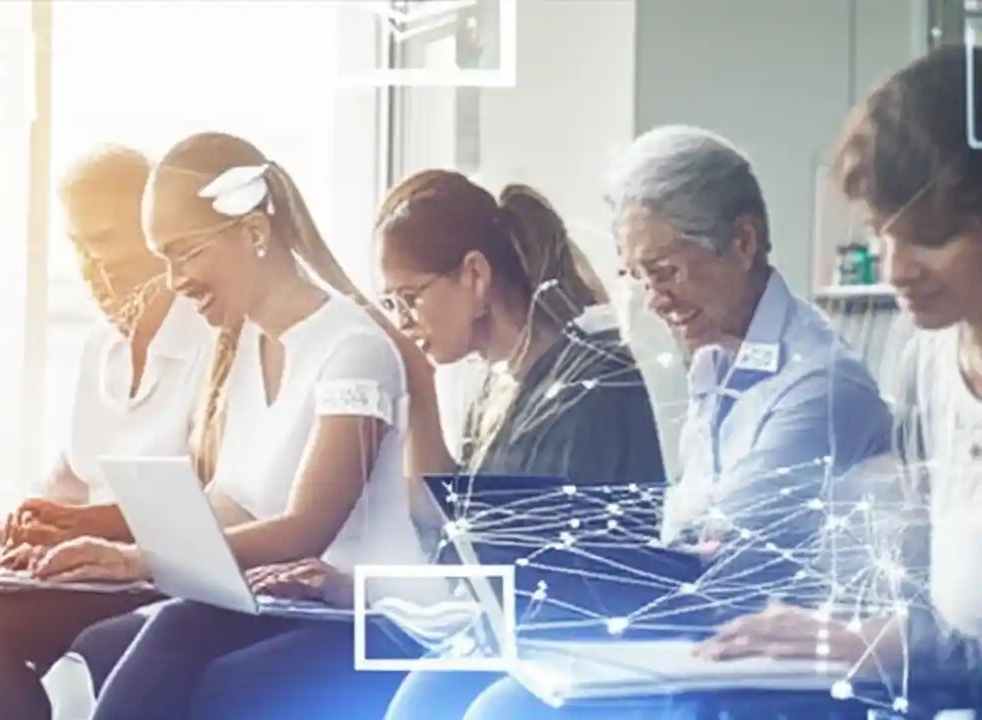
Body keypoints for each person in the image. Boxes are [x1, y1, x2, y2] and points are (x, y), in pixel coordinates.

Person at [181, 169, 670, 720]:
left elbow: (544, 580)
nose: (404, 323)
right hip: (488, 631)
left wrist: (365, 595)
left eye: (409, 298)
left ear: (474, 275)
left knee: (256, 690)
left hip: (565, 651)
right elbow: (443, 528)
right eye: (391, 306)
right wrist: (419, 388)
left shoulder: (586, 389)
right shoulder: (498, 382)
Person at [456, 125, 895, 718]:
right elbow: (688, 539)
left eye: (665, 271)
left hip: (771, 680)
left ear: (742, 243)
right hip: (693, 650)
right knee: (441, 693)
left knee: (497, 710)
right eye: (638, 277)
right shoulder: (715, 366)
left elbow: (726, 565)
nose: (654, 298)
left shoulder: (817, 383)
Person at [33, 130, 437, 719]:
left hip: (375, 617)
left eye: (185, 253)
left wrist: (137, 560)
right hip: (289, 604)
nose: (173, 280)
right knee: (103, 646)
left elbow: (306, 529)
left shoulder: (354, 349)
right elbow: (232, 504)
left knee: (199, 666)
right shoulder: (246, 345)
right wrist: (119, 542)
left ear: (253, 234)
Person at [691, 43, 982, 718]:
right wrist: (858, 641)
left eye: (930, 238)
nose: (897, 267)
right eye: (884, 233)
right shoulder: (929, 356)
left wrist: (892, 648)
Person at [0, 145, 212, 720]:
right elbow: (68, 478)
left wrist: (79, 527)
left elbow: (204, 504)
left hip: (153, 570)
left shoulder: (210, 342)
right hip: (84, 571)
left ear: (156, 237)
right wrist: (30, 519)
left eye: (105, 240)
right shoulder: (101, 346)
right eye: (78, 245)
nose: (93, 263)